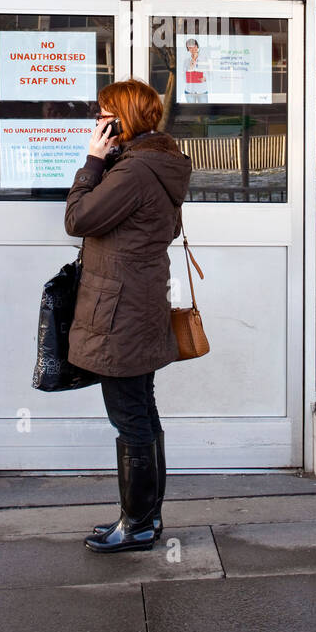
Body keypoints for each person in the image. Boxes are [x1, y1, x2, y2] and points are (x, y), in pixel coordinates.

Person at [65, 78, 192, 552]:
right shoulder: (155, 164)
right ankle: (145, 517)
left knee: (131, 418)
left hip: (121, 312)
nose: (98, 122)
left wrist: (93, 160)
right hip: (138, 305)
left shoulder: (134, 172)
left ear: (123, 119)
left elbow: (77, 219)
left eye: (105, 114)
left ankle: (137, 523)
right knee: (141, 412)